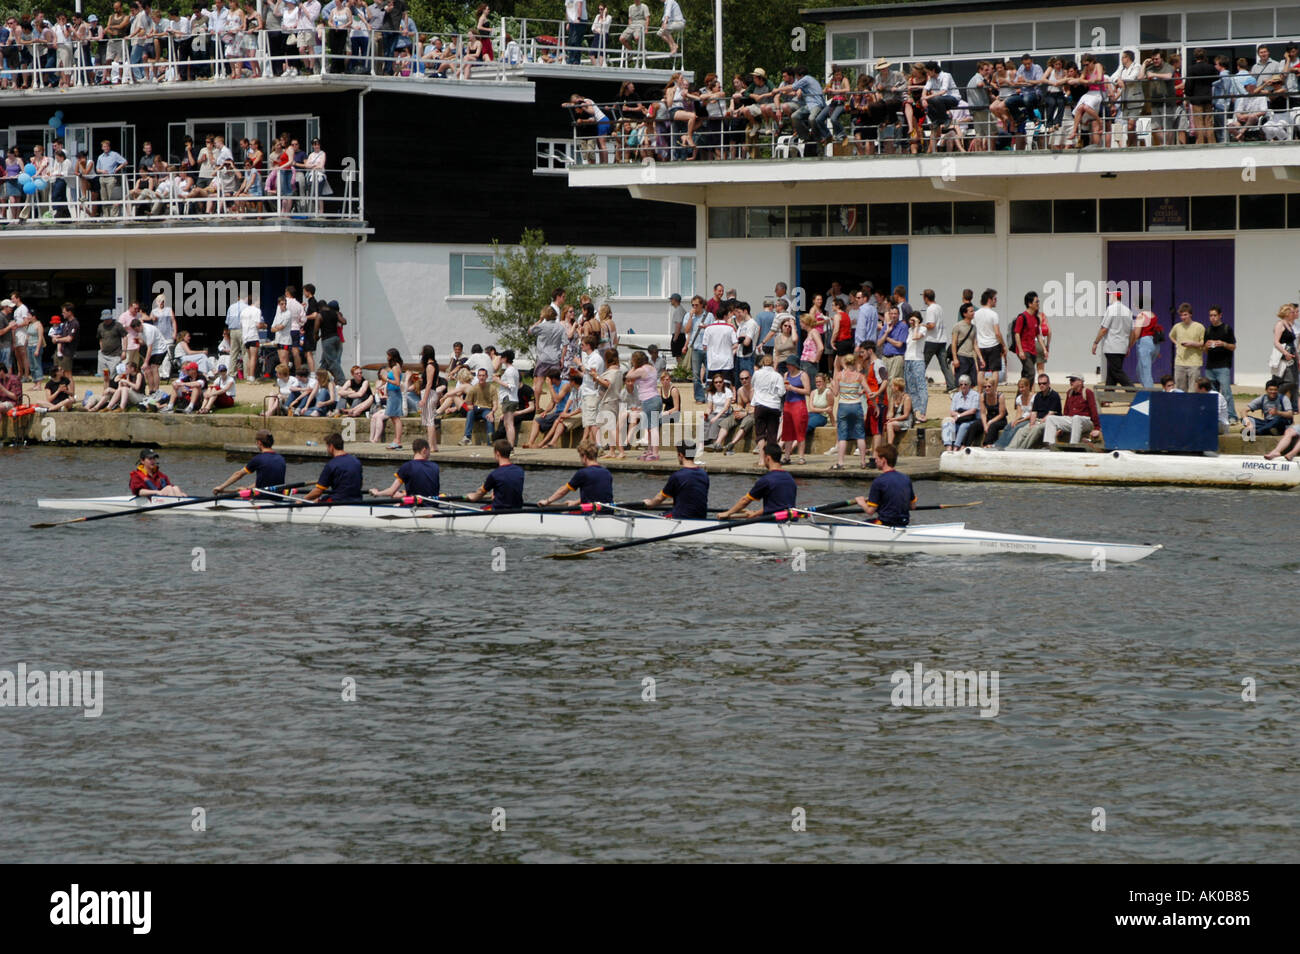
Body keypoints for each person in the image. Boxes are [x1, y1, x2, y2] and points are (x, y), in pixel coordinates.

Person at [718, 441, 796, 518]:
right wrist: (756, 513)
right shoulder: (790, 478)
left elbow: (745, 501)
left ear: (768, 458)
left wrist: (728, 513)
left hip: (773, 523)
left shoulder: (767, 480)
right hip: (790, 521)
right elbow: (779, 506)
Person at [643, 439, 710, 518]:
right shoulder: (704, 474)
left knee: (659, 516)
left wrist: (650, 503)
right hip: (701, 517)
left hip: (681, 517)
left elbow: (659, 498)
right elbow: (690, 498)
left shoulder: (678, 476)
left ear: (680, 455)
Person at [852, 443, 915, 526]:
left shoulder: (879, 481)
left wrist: (861, 502)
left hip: (886, 523)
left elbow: (870, 511)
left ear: (883, 460)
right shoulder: (906, 478)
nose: (875, 461)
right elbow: (913, 506)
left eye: (877, 458)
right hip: (903, 522)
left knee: (856, 524)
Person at [538, 438, 613, 506]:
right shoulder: (607, 473)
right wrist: (575, 503)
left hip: (591, 514)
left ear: (584, 456)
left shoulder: (583, 473)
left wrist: (547, 501)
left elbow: (563, 491)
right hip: (608, 511)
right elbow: (596, 495)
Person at [213, 429, 287, 494]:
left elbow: (238, 474)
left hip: (261, 499)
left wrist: (221, 487)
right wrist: (247, 489)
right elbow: (266, 481)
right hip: (278, 497)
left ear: (259, 443)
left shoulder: (258, 459)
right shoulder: (281, 459)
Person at [828, 353, 867, 470]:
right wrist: (861, 391)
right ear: (855, 363)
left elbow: (835, 393)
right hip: (856, 404)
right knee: (860, 434)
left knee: (842, 435)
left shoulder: (839, 375)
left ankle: (840, 463)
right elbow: (868, 389)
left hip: (844, 405)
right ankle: (863, 462)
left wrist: (832, 385)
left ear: (845, 363)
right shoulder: (859, 376)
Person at [1041, 373, 1101, 446]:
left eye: (1073, 380)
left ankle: (1073, 445)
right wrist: (1061, 428)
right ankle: (1050, 445)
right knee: (1050, 418)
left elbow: (1093, 410)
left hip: (1086, 421)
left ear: (1080, 382)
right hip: (1072, 420)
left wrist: (1097, 428)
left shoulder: (1087, 392)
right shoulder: (1069, 392)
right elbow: (1066, 411)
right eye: (1070, 380)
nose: (1070, 382)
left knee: (1076, 418)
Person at [302, 432, 363, 503]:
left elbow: (318, 492)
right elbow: (360, 484)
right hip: (357, 500)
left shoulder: (331, 465)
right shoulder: (356, 461)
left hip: (338, 501)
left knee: (315, 500)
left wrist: (302, 499)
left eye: (327, 447)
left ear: (331, 447)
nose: (327, 450)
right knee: (320, 499)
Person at [1008, 373, 1064, 448]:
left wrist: (1038, 423)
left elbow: (1050, 414)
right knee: (1021, 430)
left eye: (1044, 383)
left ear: (1049, 383)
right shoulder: (1038, 396)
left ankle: (1022, 449)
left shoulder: (1054, 395)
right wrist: (1031, 424)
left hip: (1050, 422)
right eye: (1040, 383)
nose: (1042, 385)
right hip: (1038, 420)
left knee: (1036, 429)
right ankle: (1010, 449)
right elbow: (1034, 412)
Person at [371, 437, 440, 499]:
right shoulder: (435, 466)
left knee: (396, 504)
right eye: (429, 450)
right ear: (424, 450)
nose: (429, 453)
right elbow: (427, 491)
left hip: (416, 506)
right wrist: (404, 494)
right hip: (433, 504)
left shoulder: (407, 466)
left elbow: (391, 492)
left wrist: (377, 493)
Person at [1092, 291, 1135, 387]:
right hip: (1123, 347)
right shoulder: (1128, 311)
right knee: (1112, 372)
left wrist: (1095, 342)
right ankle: (1108, 396)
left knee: (1116, 371)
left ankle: (1133, 391)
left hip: (1112, 346)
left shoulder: (1111, 309)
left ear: (1115, 296)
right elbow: (1132, 332)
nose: (1109, 297)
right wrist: (1129, 346)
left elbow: (1104, 329)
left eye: (1110, 295)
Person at [468, 439, 525, 509]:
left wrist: (471, 496)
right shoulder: (520, 471)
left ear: (497, 453)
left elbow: (478, 496)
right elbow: (509, 486)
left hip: (499, 510)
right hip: (517, 509)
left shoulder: (495, 475)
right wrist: (497, 493)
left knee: (481, 508)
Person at [1202, 305, 1237, 424]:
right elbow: (1205, 350)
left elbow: (1233, 347)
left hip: (1223, 366)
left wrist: (1223, 344)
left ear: (1220, 315)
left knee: (1226, 392)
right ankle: (1214, 416)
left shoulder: (1227, 329)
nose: (1212, 318)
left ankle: (1232, 416)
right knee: (1211, 393)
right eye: (1210, 315)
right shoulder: (1208, 330)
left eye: (1215, 315)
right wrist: (1205, 347)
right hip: (1210, 366)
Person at [1169, 302, 1205, 393]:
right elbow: (1171, 335)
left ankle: (1193, 407)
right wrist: (1176, 343)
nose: (1183, 317)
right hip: (1180, 362)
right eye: (1181, 315)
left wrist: (1193, 343)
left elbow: (1203, 342)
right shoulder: (1177, 326)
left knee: (1194, 390)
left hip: (1194, 362)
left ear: (1190, 314)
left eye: (1185, 315)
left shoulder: (1199, 327)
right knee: (1180, 390)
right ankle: (1180, 407)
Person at [972, 288, 1006, 386]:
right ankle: (994, 391)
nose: (996, 301)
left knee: (981, 370)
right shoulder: (994, 314)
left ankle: (980, 392)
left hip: (981, 345)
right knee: (995, 370)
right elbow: (997, 333)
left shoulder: (976, 314)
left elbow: (974, 330)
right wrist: (1003, 345)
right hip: (993, 344)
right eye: (995, 299)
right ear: (989, 299)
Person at [941, 375, 980, 450]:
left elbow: (973, 410)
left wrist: (959, 415)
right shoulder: (956, 395)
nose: (963, 386)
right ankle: (949, 445)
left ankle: (956, 446)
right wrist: (958, 416)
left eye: (965, 384)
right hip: (959, 419)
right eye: (961, 384)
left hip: (971, 419)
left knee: (963, 426)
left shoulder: (975, 395)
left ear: (969, 385)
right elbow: (952, 412)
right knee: (949, 424)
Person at [949, 301, 978, 386]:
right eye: (971, 311)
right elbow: (953, 343)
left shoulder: (974, 327)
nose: (973, 313)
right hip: (961, 356)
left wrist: (977, 360)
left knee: (972, 382)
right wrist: (955, 358)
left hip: (971, 357)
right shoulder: (957, 326)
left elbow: (974, 344)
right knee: (961, 383)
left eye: (973, 311)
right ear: (965, 314)